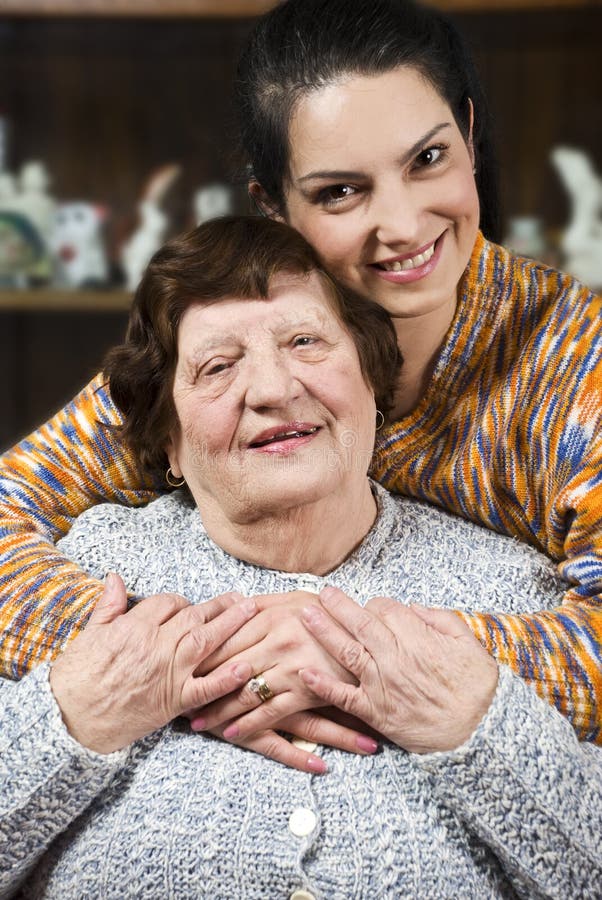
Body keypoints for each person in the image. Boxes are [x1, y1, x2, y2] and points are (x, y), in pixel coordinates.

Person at [0, 0, 600, 744]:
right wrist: (190, 665)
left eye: (428, 159)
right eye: (340, 191)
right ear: (273, 209)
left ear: (470, 136)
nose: (406, 225)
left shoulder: (581, 373)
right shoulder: (220, 371)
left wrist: (350, 659)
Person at [1, 215, 600, 899]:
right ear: (166, 440)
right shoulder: (76, 574)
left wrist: (473, 719)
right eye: (219, 367)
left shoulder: (520, 594)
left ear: (373, 381)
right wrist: (80, 709)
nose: (274, 389)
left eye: (306, 342)